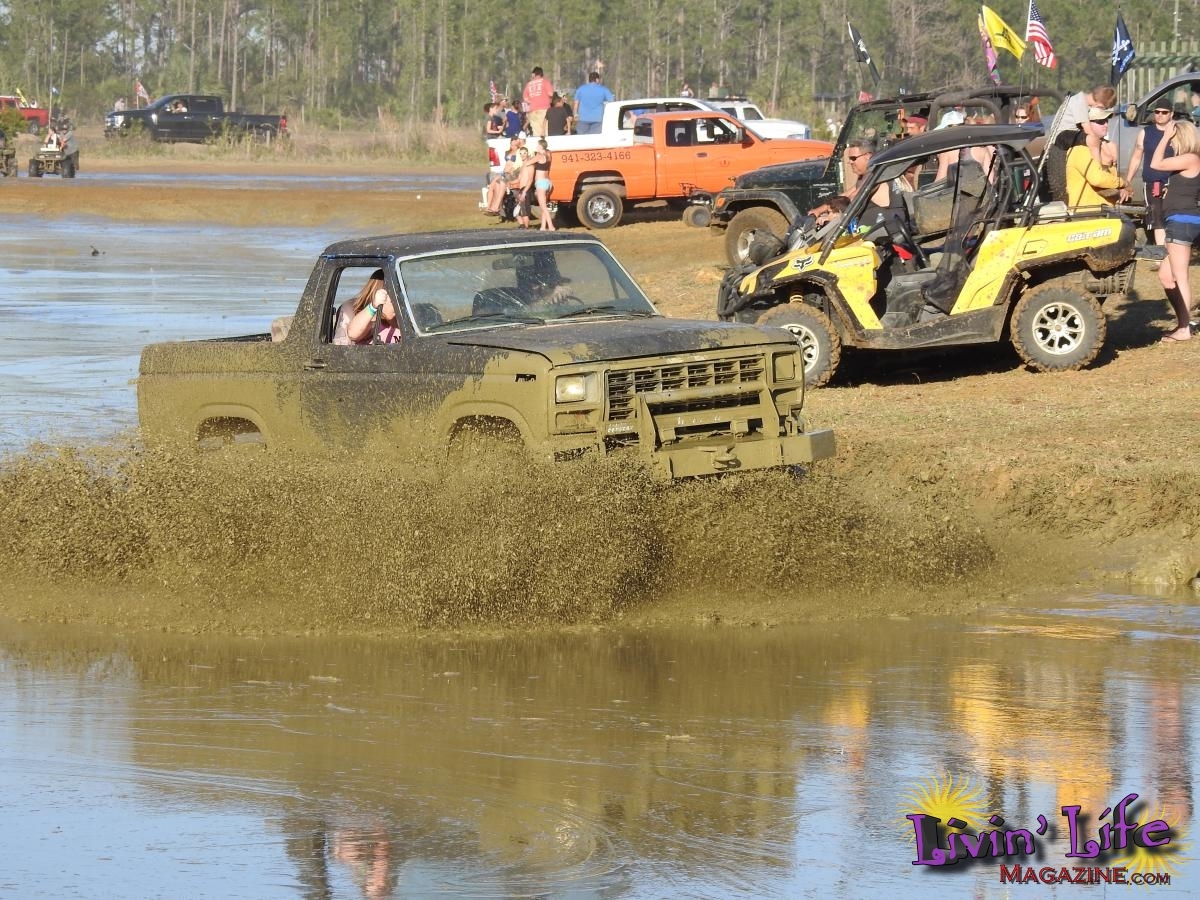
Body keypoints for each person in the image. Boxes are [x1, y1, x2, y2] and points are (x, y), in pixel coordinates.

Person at [1148, 118, 1200, 342]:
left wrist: (1164, 136)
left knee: (1180, 277)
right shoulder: (1188, 161)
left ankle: (1185, 328)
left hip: (1183, 222)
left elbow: (1155, 163)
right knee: (1166, 276)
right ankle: (1182, 322)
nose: (1172, 143)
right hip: (1178, 220)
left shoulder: (1190, 158)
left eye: (1174, 138)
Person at [1124, 102, 1177, 247]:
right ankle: (1162, 256)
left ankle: (1174, 254)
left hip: (1173, 183)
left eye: (1164, 112)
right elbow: (1136, 157)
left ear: (1171, 114)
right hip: (1152, 183)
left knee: (1173, 220)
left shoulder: (1178, 132)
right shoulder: (1145, 132)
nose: (1159, 115)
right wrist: (1127, 181)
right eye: (1157, 111)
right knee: (1157, 220)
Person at [1065, 107, 1131, 208]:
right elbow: (1097, 179)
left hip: (1106, 210)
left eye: (1106, 121)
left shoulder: (1108, 146)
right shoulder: (1079, 150)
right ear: (1085, 125)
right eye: (1100, 122)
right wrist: (1122, 183)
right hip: (1086, 213)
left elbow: (1112, 177)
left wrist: (1122, 189)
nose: (1106, 125)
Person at [333, 271, 401, 345]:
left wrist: (392, 320)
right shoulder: (370, 320)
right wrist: (373, 307)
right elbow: (352, 334)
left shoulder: (405, 316)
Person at [484, 134, 528, 216]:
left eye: (515, 142)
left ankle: (496, 207)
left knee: (499, 184)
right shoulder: (508, 152)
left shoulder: (519, 152)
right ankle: (489, 206)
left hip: (511, 173)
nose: (513, 144)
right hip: (504, 172)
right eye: (512, 142)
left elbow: (517, 165)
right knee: (492, 186)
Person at [523, 67, 554, 137]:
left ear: (534, 74)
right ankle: (545, 146)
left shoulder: (529, 84)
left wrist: (533, 101)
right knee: (545, 130)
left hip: (533, 110)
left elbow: (525, 98)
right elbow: (550, 94)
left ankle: (538, 146)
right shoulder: (545, 82)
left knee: (536, 132)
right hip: (544, 109)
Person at [532, 139, 555, 231]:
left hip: (541, 183)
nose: (536, 147)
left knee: (543, 207)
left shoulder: (540, 156)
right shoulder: (548, 155)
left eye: (537, 145)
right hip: (548, 182)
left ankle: (551, 226)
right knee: (543, 206)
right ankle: (543, 226)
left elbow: (528, 163)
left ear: (541, 146)